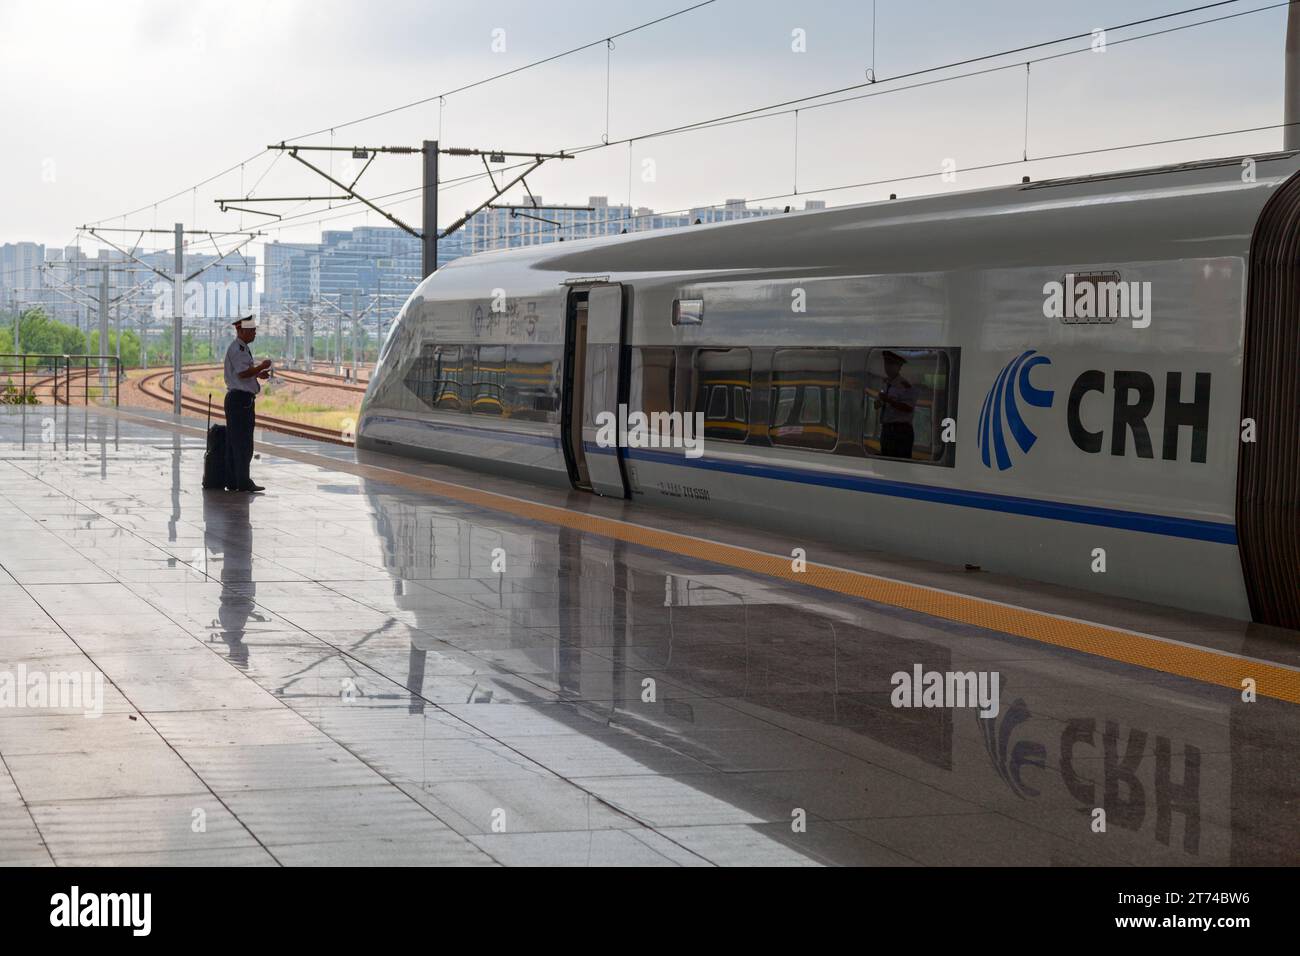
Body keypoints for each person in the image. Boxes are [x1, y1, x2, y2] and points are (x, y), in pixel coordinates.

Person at [223, 316, 271, 492]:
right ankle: (241, 481)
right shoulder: (238, 349)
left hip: (240, 400)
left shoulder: (242, 348)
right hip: (239, 401)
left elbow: (243, 373)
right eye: (251, 330)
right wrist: (260, 367)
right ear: (241, 331)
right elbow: (242, 374)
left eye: (255, 330)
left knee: (238, 441)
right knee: (242, 442)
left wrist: (258, 374)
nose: (254, 333)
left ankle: (235, 480)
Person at [876, 350, 917, 460]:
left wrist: (889, 401)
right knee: (886, 462)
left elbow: (908, 408)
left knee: (900, 464)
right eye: (886, 363)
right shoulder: (885, 383)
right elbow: (878, 403)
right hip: (886, 429)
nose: (887, 367)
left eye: (891, 364)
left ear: (899, 367)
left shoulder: (905, 385)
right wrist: (878, 403)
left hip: (901, 432)